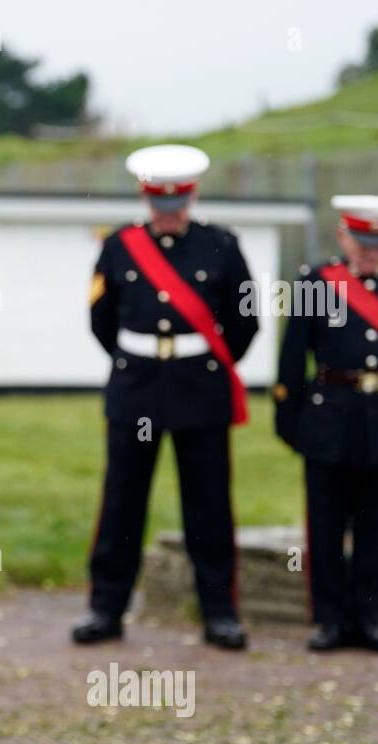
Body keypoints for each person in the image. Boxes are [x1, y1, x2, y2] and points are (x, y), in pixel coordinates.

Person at [73, 144, 257, 650]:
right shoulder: (119, 246)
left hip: (201, 387)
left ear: (192, 197)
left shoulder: (222, 245)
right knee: (122, 504)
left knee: (210, 505)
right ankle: (106, 609)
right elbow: (101, 319)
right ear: (145, 197)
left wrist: (203, 362)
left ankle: (220, 613)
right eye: (160, 204)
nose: (169, 214)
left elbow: (246, 321)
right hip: (136, 388)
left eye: (177, 205)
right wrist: (138, 359)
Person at [275, 195, 378, 653]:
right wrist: (292, 422)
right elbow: (291, 358)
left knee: (376, 527)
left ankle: (369, 618)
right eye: (362, 242)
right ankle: (329, 620)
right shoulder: (316, 282)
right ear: (344, 236)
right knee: (325, 527)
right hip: (330, 417)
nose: (370, 252)